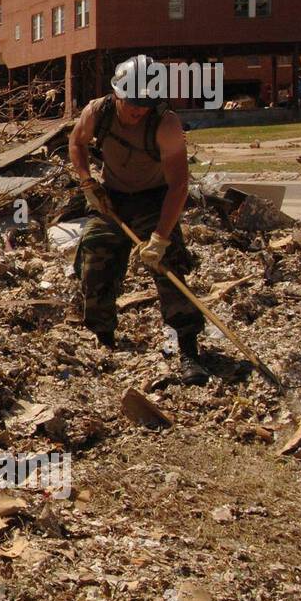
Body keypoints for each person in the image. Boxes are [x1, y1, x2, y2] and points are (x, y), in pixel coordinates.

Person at [68, 55, 208, 385]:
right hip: (113, 197)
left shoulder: (166, 124)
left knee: (169, 268)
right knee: (94, 256)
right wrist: (88, 182)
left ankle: (188, 347)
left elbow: (179, 185)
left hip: (155, 198)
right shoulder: (97, 112)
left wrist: (160, 237)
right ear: (117, 94)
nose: (138, 111)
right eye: (132, 103)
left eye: (145, 104)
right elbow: (76, 142)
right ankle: (103, 338)